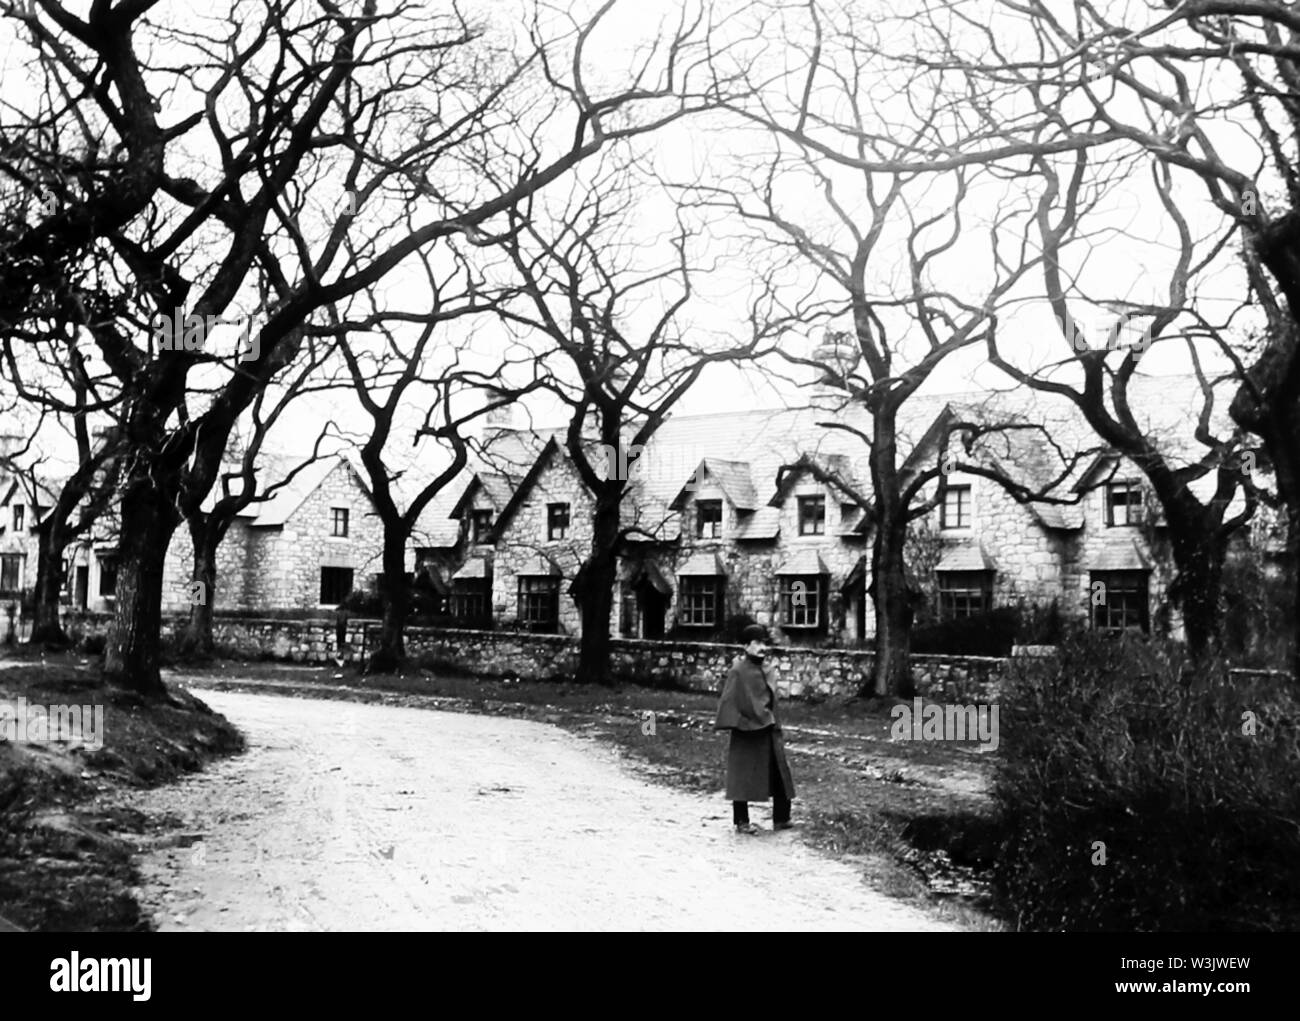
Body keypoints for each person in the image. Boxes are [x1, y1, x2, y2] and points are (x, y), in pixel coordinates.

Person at [714, 623, 796, 834]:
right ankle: (741, 821)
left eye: (764, 643)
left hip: (769, 728)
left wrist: (771, 719)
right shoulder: (738, 671)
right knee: (742, 777)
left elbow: (770, 697)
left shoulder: (766, 668)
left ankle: (781, 818)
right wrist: (742, 721)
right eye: (757, 643)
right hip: (746, 730)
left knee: (779, 773)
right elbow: (730, 700)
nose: (762, 648)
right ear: (745, 646)